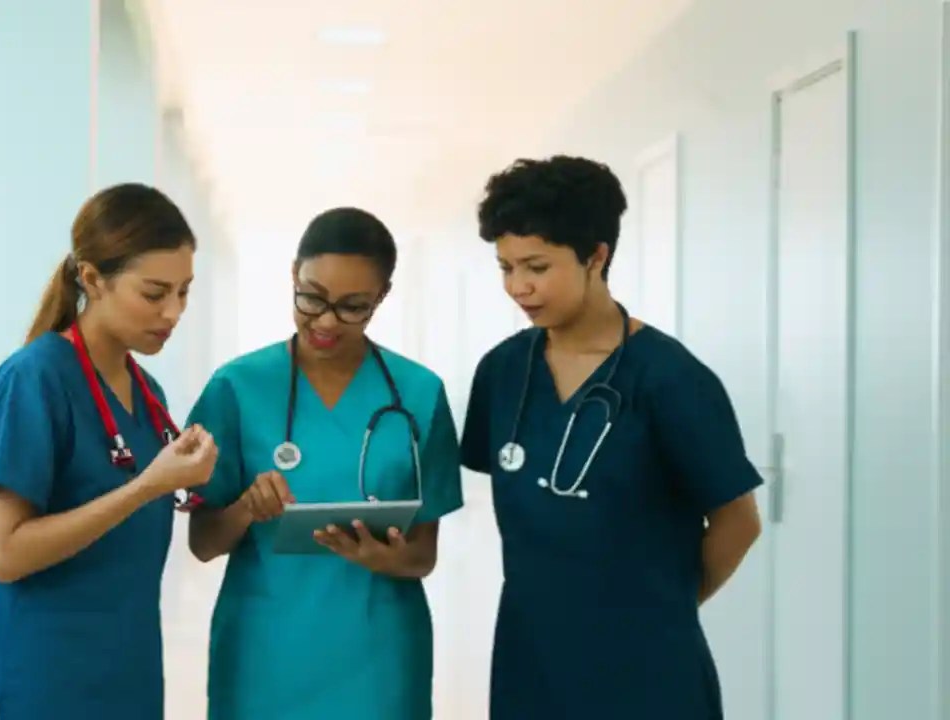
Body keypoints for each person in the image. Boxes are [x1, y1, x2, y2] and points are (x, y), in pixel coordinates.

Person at [461, 155, 764, 719]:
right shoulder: (502, 372)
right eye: (505, 267)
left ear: (596, 256)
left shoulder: (671, 379)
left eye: (536, 266)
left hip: (647, 669)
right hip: (532, 662)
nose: (518, 287)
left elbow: (738, 521)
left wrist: (661, 610)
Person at [185, 207, 464, 719]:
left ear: (382, 297)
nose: (327, 321)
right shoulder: (237, 388)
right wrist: (246, 508)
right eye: (312, 298)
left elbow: (424, 554)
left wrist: (380, 558)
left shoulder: (419, 394)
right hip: (264, 651)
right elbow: (203, 543)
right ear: (293, 275)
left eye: (353, 306)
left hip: (379, 652)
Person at [0, 183, 218, 720]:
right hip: (42, 684)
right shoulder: (34, 379)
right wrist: (146, 486)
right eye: (154, 293)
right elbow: (7, 555)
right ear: (93, 279)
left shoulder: (149, 397)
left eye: (184, 292)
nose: (173, 312)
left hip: (127, 681)